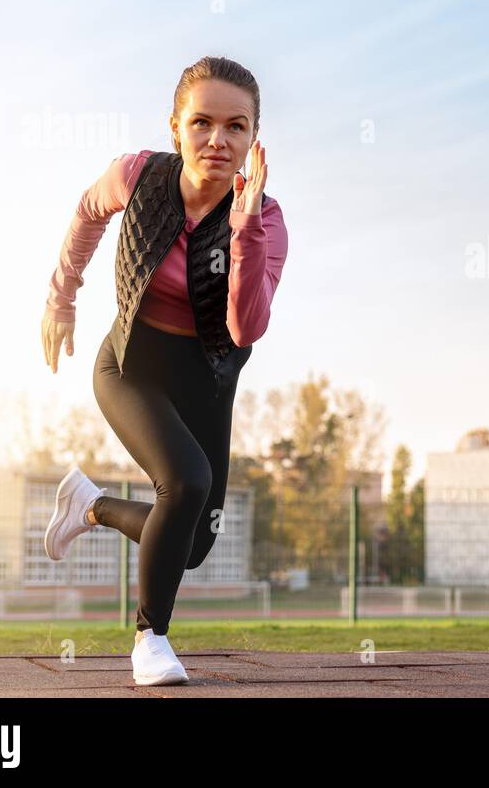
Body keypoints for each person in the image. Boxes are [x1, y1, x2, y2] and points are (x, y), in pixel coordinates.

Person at [39, 56, 287, 685]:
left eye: (237, 126)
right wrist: (61, 299)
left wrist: (244, 226)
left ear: (253, 138)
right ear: (175, 126)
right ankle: (151, 641)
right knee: (186, 480)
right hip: (131, 364)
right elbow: (87, 212)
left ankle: (90, 507)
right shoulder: (137, 174)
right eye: (201, 121)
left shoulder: (266, 219)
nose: (218, 139)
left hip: (206, 376)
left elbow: (244, 327)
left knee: (194, 543)